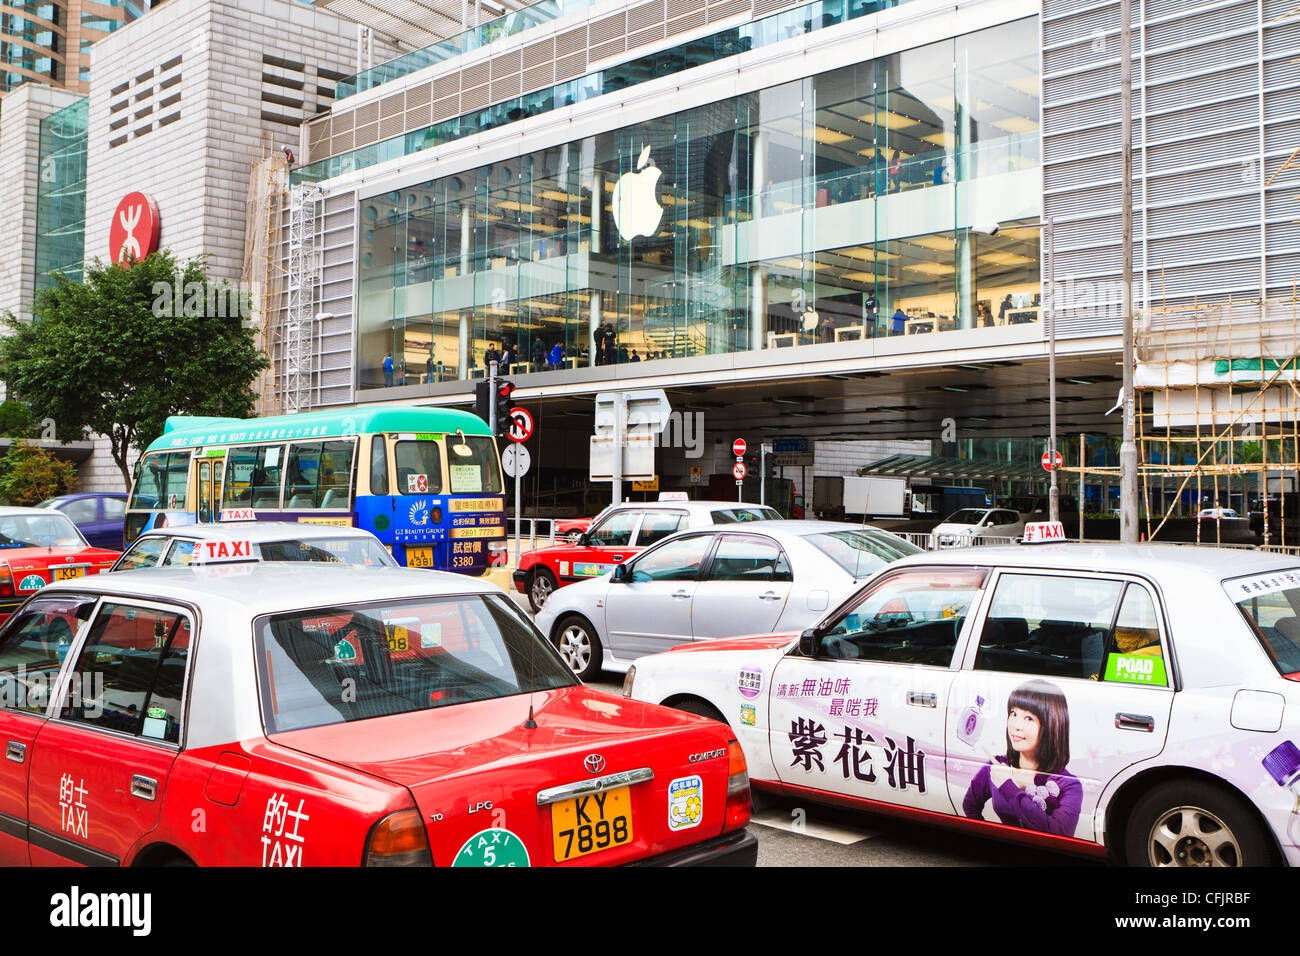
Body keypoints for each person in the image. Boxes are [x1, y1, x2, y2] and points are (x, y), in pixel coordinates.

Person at [961, 679, 1082, 837]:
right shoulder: (997, 765)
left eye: (1029, 718)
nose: (1016, 725)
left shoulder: (1069, 784)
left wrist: (1007, 786)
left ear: (1053, 725)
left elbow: (1059, 833)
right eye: (1013, 713)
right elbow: (970, 805)